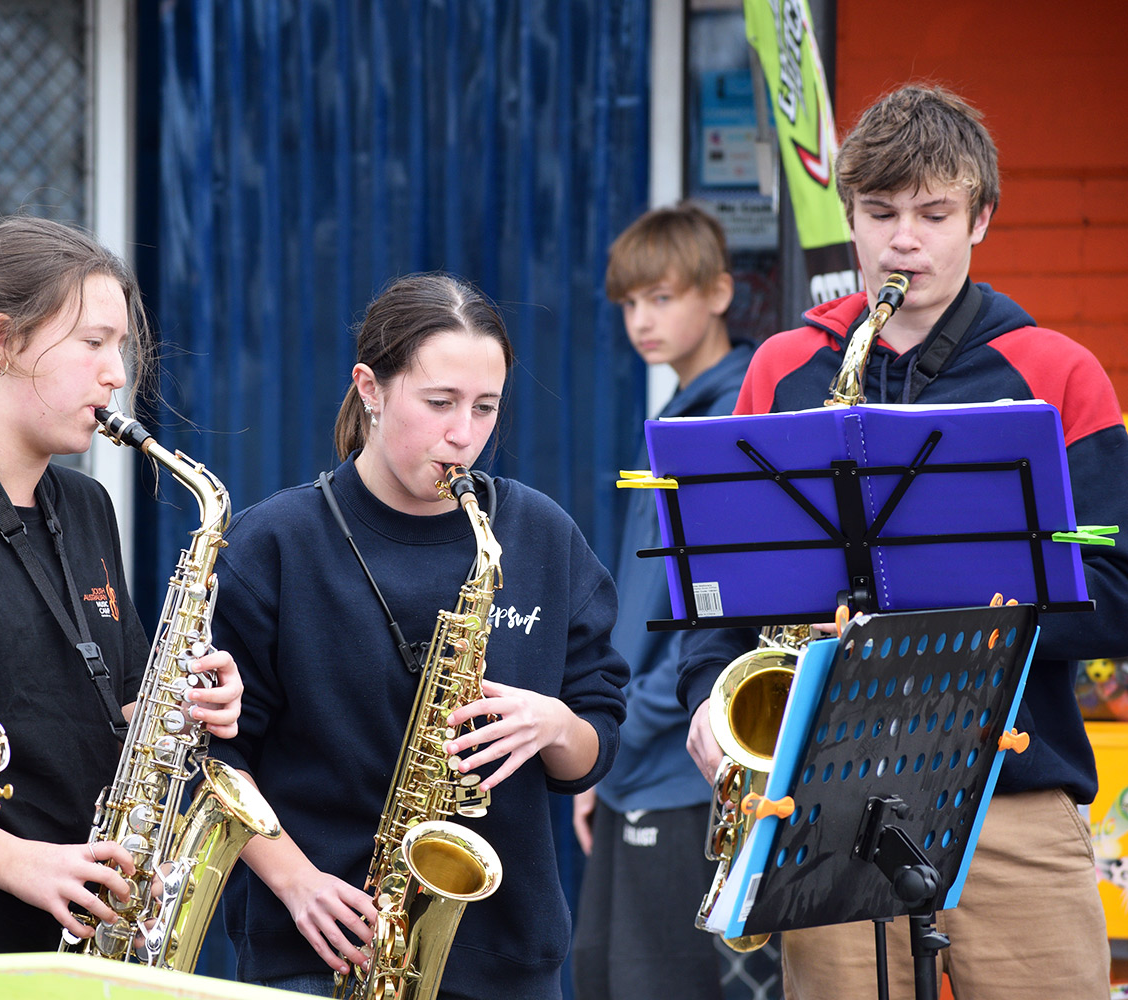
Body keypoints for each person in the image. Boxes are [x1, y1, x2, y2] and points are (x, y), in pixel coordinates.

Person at [676, 84, 1128, 999]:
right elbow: (725, 582)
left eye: (934, 213)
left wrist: (948, 592)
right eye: (879, 214)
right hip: (828, 795)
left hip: (1016, 792)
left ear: (982, 218)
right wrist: (704, 703)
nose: (903, 240)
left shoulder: (1057, 372)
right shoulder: (781, 367)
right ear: (849, 217)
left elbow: (1120, 592)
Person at [207, 272, 630, 999]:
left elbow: (595, 738)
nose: (463, 434)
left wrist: (556, 724)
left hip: (508, 955)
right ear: (369, 388)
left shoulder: (539, 535)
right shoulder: (274, 544)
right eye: (439, 403)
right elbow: (212, 757)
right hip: (325, 948)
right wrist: (298, 882)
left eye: (485, 407)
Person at [0, 215, 245, 954]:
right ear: (2, 340)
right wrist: (17, 861)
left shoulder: (87, 505)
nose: (117, 374)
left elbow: (118, 706)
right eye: (93, 343)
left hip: (78, 937)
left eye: (119, 347)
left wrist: (184, 702)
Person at [571, 203, 750, 1000]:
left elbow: (704, 620)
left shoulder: (736, 414)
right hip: (634, 761)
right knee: (604, 976)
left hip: (686, 766)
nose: (642, 320)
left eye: (663, 297)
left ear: (718, 292)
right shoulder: (674, 416)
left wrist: (615, 740)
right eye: (630, 302)